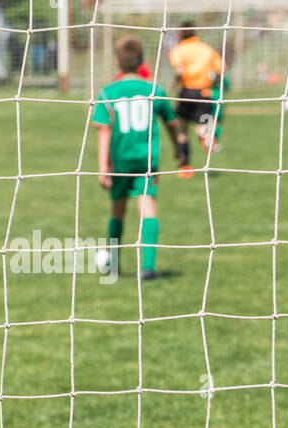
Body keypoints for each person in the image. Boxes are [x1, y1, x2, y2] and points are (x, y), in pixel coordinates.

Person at [92, 36, 185, 281]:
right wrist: (178, 148)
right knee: (148, 207)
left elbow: (104, 130)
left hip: (120, 161)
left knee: (118, 210)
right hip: (146, 160)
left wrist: (103, 167)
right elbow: (172, 123)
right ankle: (148, 267)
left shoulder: (107, 92)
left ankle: (113, 264)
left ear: (117, 63)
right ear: (142, 61)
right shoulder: (155, 90)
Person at [168, 21, 226, 177]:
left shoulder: (179, 50)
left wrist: (176, 81)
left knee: (182, 131)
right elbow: (220, 69)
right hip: (204, 91)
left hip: (187, 91)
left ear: (180, 34)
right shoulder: (206, 49)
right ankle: (206, 135)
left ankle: (185, 167)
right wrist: (211, 83)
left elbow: (180, 71)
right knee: (200, 124)